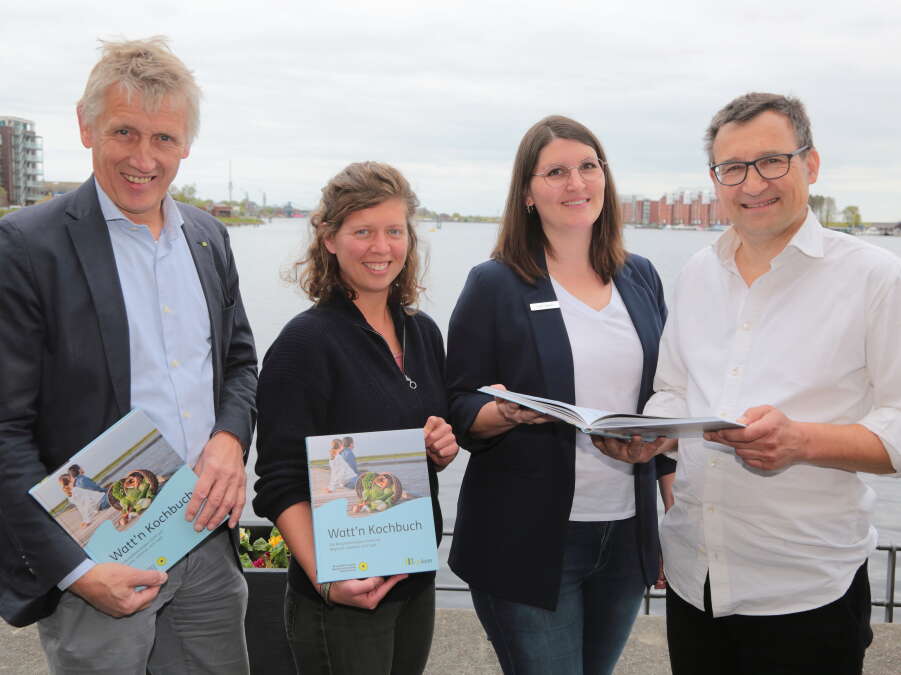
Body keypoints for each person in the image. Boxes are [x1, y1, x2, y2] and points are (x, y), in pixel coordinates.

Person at [594, 92, 901, 675]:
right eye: (732, 168)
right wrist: (654, 435)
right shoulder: (697, 273)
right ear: (716, 180)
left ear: (810, 165)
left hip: (807, 591)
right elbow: (674, 390)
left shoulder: (877, 279)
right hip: (694, 581)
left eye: (771, 161)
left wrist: (802, 442)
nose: (752, 182)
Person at [0, 37, 258, 674]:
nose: (145, 158)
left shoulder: (207, 238)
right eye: (124, 132)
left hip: (205, 537)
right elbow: (5, 430)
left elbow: (241, 362)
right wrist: (76, 570)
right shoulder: (26, 248)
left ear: (186, 145)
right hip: (100, 554)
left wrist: (230, 436)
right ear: (86, 127)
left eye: (165, 139)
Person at [445, 115, 675, 675]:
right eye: (556, 172)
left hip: (625, 537)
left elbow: (665, 398)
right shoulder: (495, 283)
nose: (576, 184)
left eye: (588, 167)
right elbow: (456, 402)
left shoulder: (640, 276)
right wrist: (503, 412)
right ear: (527, 191)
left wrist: (674, 519)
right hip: (527, 540)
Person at [253, 161, 459, 675]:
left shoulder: (423, 333)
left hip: (413, 581)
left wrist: (439, 447)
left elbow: (414, 456)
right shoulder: (305, 344)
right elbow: (278, 481)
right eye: (362, 231)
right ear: (329, 239)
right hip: (342, 594)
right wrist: (327, 578)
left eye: (393, 231)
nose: (381, 247)